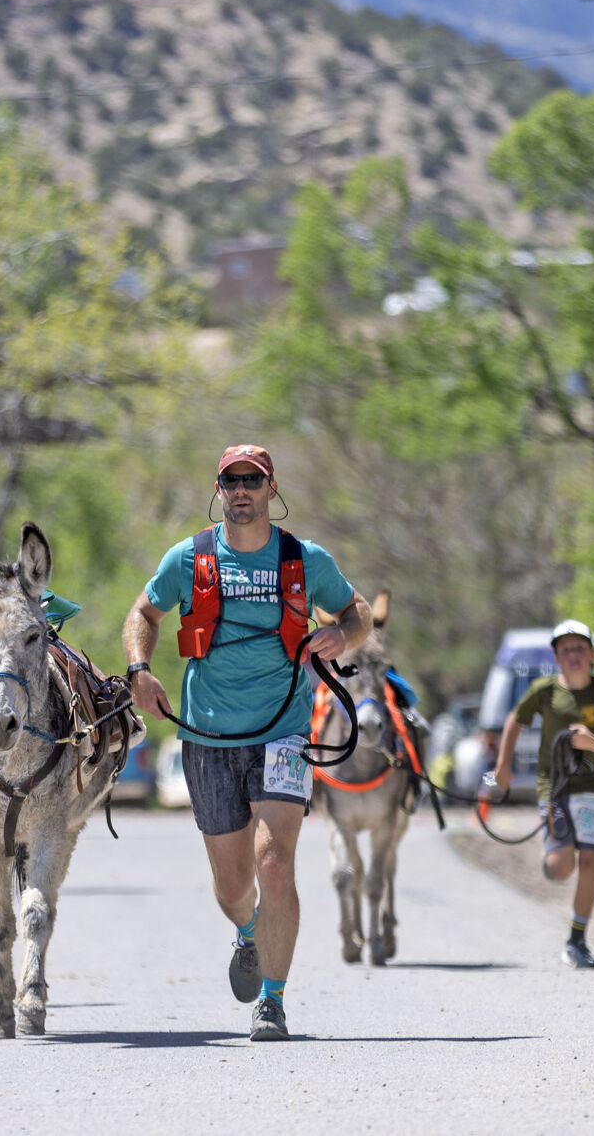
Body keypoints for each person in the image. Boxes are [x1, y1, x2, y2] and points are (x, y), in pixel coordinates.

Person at [122, 444, 371, 1041]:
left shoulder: (305, 560)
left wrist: (342, 634)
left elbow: (357, 610)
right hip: (207, 736)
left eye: (252, 480)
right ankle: (249, 929)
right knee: (234, 887)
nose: (241, 490)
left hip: (283, 731)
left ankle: (273, 1001)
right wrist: (139, 669)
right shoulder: (189, 557)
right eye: (231, 480)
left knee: (275, 861)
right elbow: (145, 612)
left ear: (270, 488)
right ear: (219, 489)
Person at [490, 619, 594, 969]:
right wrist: (503, 766)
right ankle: (552, 857)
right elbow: (514, 720)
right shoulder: (545, 690)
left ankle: (577, 940)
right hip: (553, 788)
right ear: (556, 656)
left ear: (593, 654)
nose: (574, 655)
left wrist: (591, 742)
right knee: (561, 866)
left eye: (580, 648)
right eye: (566, 649)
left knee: (592, 860)